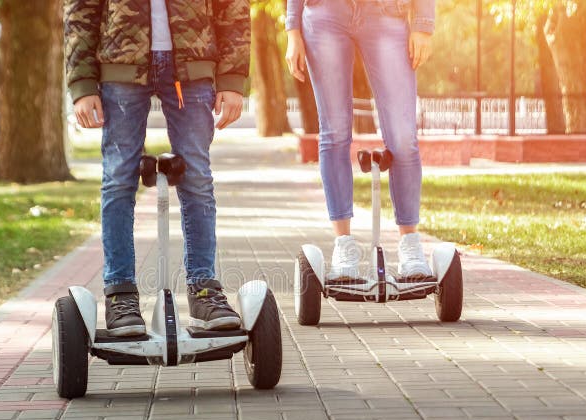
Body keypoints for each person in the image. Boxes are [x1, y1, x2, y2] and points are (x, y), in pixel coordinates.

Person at [64, 0, 249, 336]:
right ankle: (120, 293)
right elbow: (81, 10)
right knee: (118, 179)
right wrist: (82, 84)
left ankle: (204, 290)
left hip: (193, 62)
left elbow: (233, 7)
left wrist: (233, 77)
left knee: (197, 178)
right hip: (120, 62)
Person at [285, 0, 435, 281]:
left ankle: (411, 246)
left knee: (403, 137)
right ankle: (344, 246)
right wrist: (292, 27)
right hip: (326, 13)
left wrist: (424, 23)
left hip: (386, 12)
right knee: (335, 132)